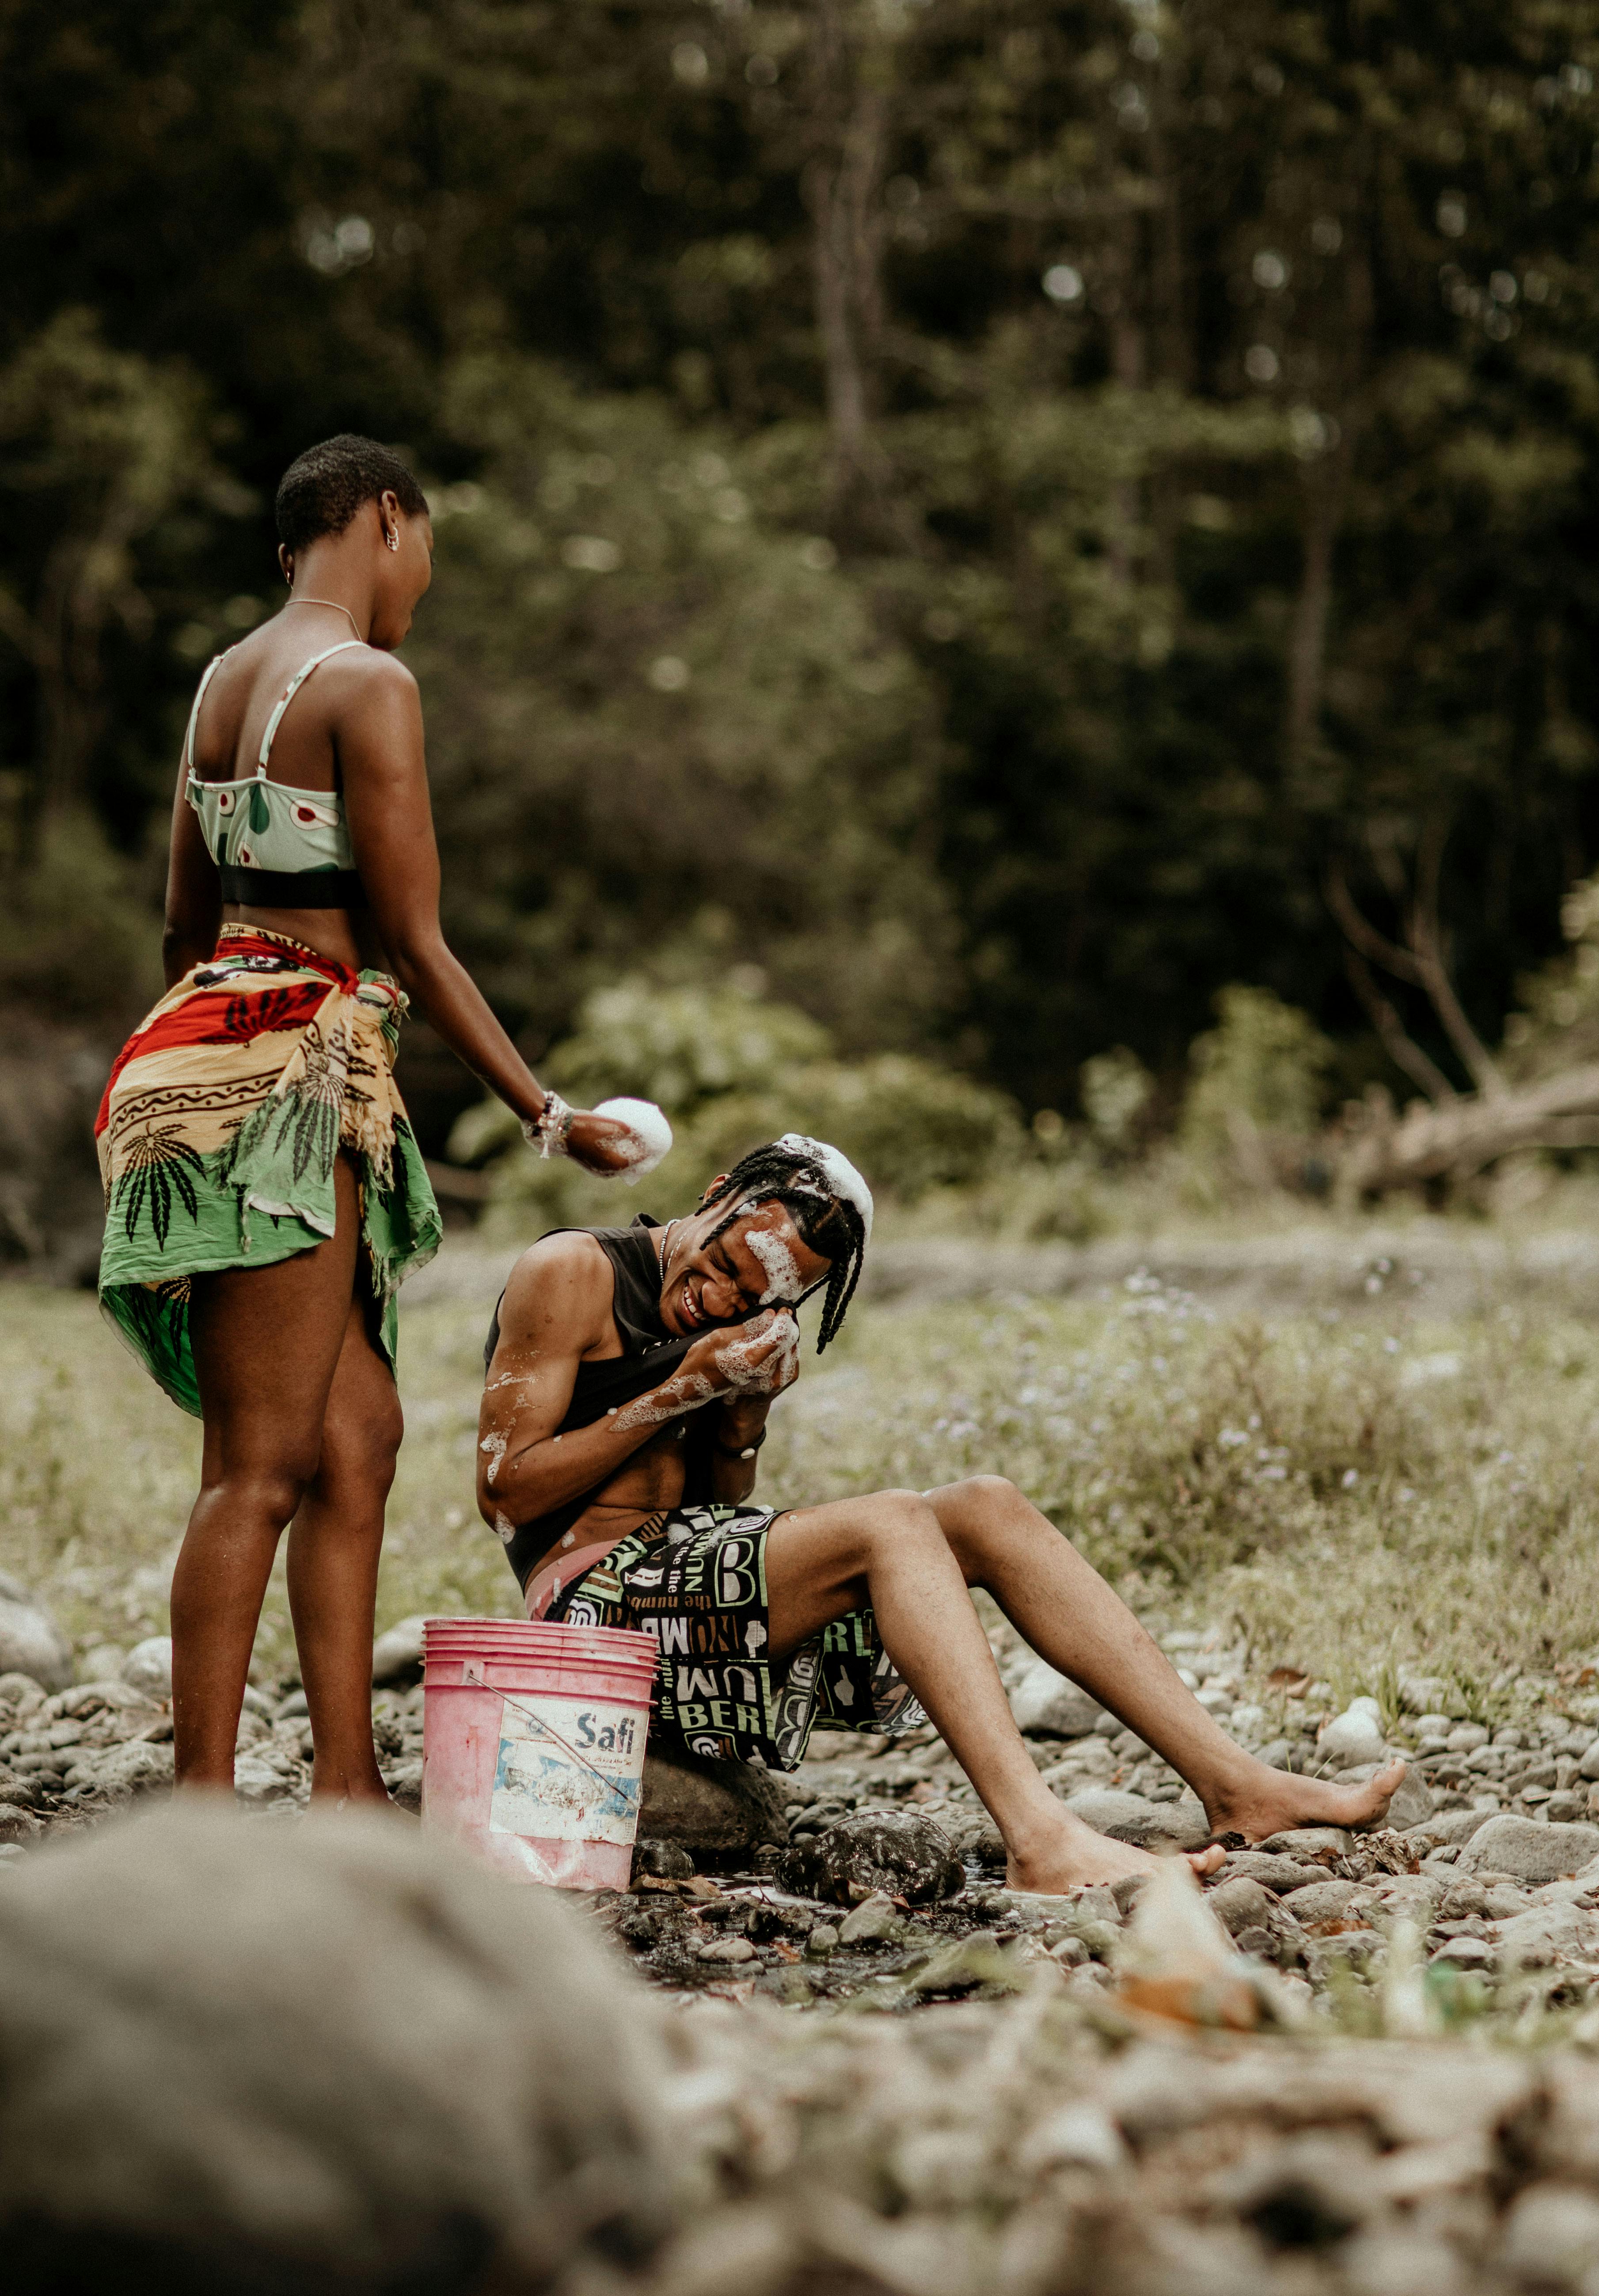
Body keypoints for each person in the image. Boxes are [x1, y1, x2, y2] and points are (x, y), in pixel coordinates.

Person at [96, 434, 640, 1801]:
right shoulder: (366, 684)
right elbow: (413, 939)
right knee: (259, 1467)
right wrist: (550, 1115)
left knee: (358, 1438)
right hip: (286, 1082)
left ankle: (349, 1785)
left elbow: (183, 926)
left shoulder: (221, 683)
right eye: (427, 554)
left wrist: (201, 1074)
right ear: (387, 518)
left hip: (201, 1049)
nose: (422, 588)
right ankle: (199, 1817)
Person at [476, 1137, 1409, 1893]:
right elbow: (505, 1493)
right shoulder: (573, 1271)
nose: (720, 1299)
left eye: (755, 1295)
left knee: (983, 1507)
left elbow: (719, 1515)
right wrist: (682, 1390)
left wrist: (744, 1414)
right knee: (891, 1522)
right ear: (718, 1193)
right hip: (582, 1619)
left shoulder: (734, 1322)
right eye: (721, 1264)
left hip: (680, 1598)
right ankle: (1041, 1839)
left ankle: (1235, 1784)